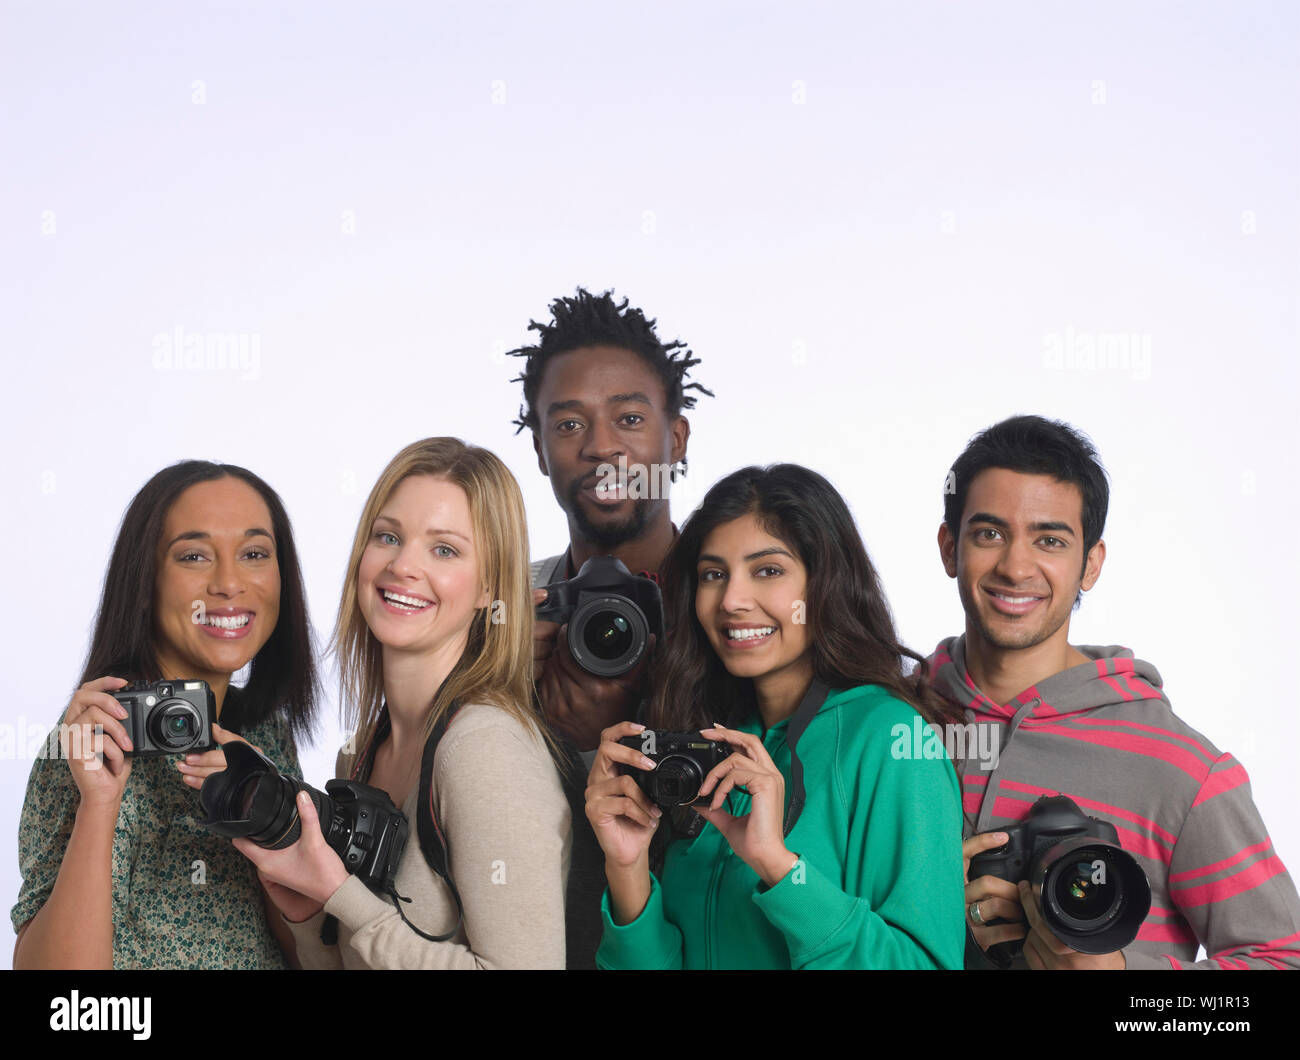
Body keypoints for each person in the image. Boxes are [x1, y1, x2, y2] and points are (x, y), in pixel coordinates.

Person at [935, 414, 1300, 970]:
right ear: (948, 548)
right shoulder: (885, 718)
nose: (1015, 567)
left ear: (1091, 564)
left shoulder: (1180, 768)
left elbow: (1285, 958)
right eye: (989, 534)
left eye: (1050, 539)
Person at [587, 464, 967, 969]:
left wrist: (780, 867)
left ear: (824, 585)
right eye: (713, 574)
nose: (732, 601)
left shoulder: (892, 740)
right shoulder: (701, 736)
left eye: (768, 570)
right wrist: (627, 865)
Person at [236, 437, 571, 969]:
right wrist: (310, 921)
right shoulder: (365, 750)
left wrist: (344, 897)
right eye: (388, 537)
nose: (403, 566)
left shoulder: (485, 751)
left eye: (444, 549)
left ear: (490, 587)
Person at [11, 462, 319, 969]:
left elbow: (302, 954)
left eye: (255, 554)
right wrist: (99, 805)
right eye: (194, 556)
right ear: (145, 579)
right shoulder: (94, 741)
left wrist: (266, 816)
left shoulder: (264, 733)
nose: (228, 583)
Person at [508, 286, 712, 968]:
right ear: (539, 449)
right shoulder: (504, 612)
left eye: (628, 418)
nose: (601, 447)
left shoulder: (736, 608)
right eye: (568, 426)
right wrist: (508, 695)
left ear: (674, 437)